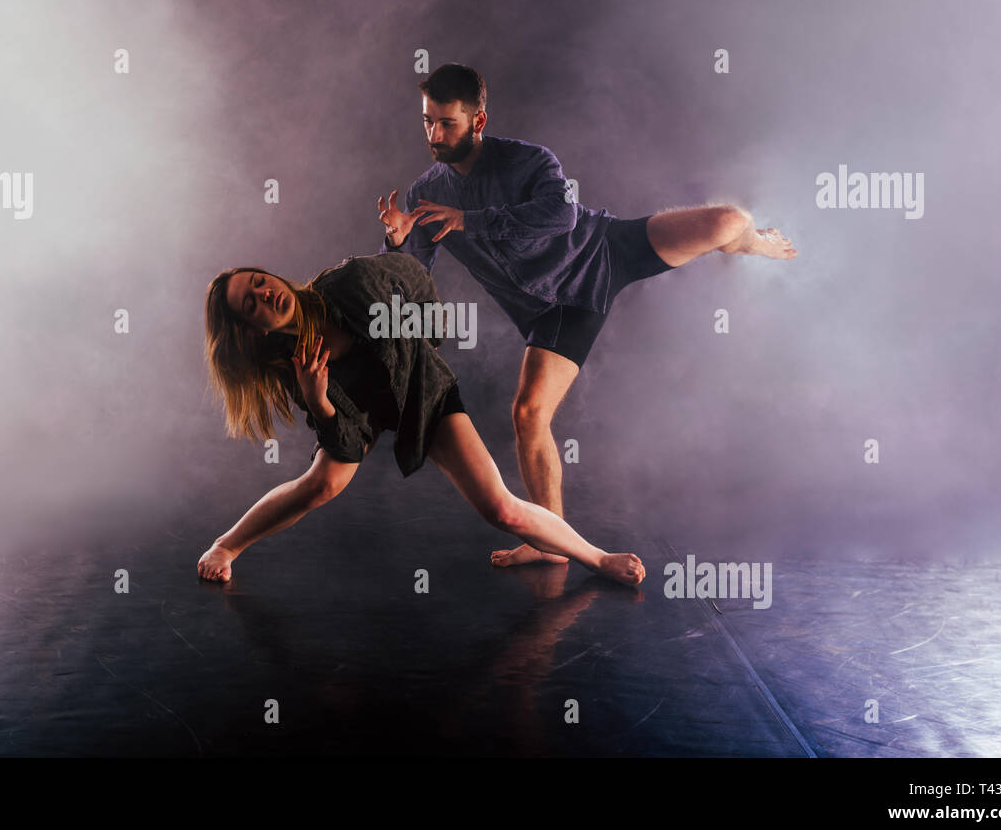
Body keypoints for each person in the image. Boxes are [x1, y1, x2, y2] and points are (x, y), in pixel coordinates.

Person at [378, 62, 797, 567]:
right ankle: (548, 544)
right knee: (529, 414)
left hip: (602, 251)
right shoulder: (429, 193)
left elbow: (560, 216)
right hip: (557, 310)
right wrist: (396, 243)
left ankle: (752, 245)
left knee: (729, 221)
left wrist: (472, 220)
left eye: (446, 123)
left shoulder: (528, 160)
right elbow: (410, 278)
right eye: (427, 121)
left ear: (478, 121)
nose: (434, 134)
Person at [198, 252, 645, 587]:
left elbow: (413, 272)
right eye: (251, 303)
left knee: (502, 509)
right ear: (254, 328)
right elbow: (348, 443)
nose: (264, 292)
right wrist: (319, 403)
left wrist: (425, 339)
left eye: (260, 281)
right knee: (321, 483)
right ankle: (228, 544)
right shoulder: (296, 365)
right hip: (362, 415)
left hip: (421, 393)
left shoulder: (349, 283)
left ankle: (595, 557)